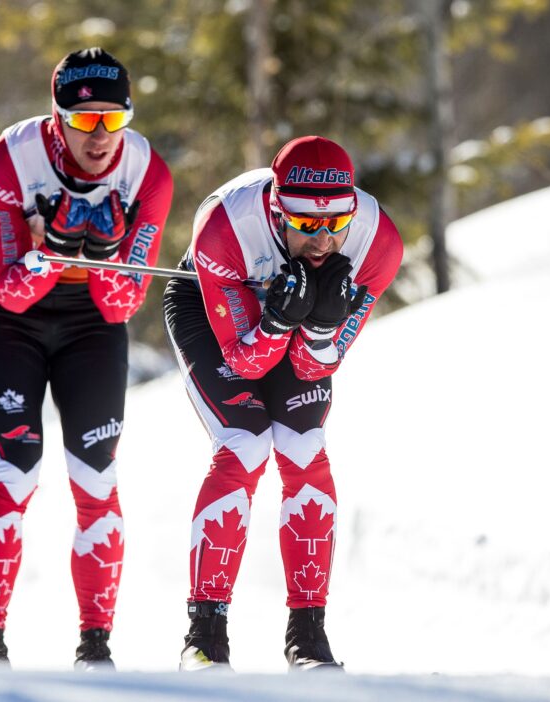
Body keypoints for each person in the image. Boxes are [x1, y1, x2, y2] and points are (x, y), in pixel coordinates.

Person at [163, 136, 403, 671]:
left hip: (296, 318)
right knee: (244, 443)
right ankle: (205, 636)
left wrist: (318, 324)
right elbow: (245, 362)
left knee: (304, 445)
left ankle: (308, 636)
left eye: (335, 225)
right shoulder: (226, 227)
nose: (323, 241)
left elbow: (320, 364)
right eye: (306, 226)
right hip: (214, 309)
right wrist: (276, 321)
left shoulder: (376, 244)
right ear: (276, 209)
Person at [0, 47, 173, 670]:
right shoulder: (10, 160)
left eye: (115, 119)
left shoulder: (147, 175)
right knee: (17, 469)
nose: (101, 137)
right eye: (85, 122)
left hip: (91, 325)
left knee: (95, 480)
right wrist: (57, 247)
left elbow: (121, 306)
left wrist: (105, 251)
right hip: (14, 322)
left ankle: (95, 646)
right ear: (57, 118)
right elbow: (9, 288)